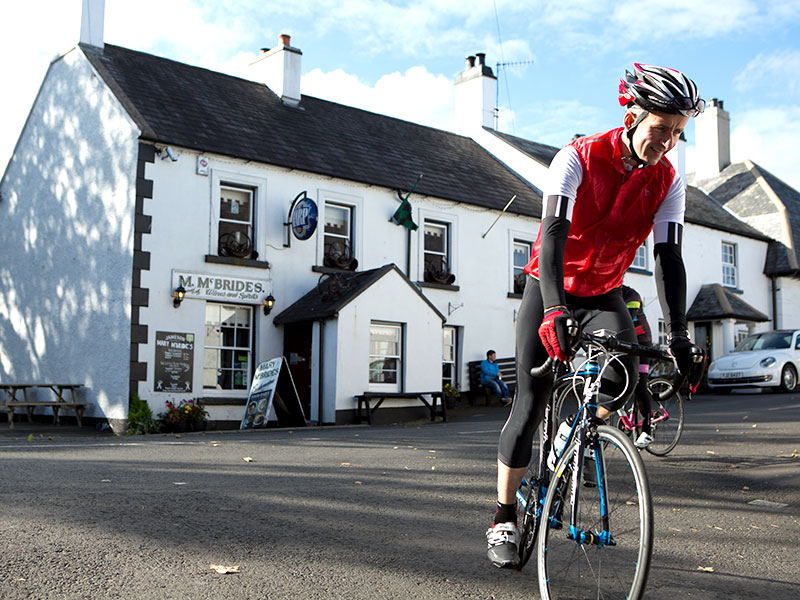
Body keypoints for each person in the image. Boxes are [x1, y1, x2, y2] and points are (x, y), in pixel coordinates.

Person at [486, 63, 707, 568]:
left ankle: (571, 437)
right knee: (530, 397)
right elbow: (555, 235)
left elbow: (669, 258)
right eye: (660, 129)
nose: (668, 142)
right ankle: (502, 515)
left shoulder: (668, 179)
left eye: (677, 132)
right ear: (631, 115)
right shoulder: (577, 157)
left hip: (605, 291)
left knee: (626, 374)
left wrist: (679, 334)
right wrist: (555, 308)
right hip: (551, 285)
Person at [621, 284, 655, 448]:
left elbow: (625, 320)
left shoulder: (632, 295)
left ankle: (647, 430)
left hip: (642, 343)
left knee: (640, 385)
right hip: (624, 343)